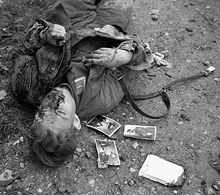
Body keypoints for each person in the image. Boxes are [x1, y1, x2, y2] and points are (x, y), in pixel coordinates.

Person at [11, 0, 153, 167]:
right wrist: (122, 56)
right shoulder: (100, 100)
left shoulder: (26, 87)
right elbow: (141, 57)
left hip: (71, 18)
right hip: (109, 29)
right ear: (76, 121)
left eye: (43, 112)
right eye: (61, 112)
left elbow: (22, 50)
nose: (53, 102)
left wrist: (45, 34)